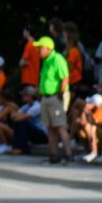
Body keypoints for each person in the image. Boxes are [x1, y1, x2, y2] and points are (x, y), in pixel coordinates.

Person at [36, 37, 72, 165]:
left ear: (48, 48)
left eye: (41, 47)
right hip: (47, 97)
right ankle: (54, 154)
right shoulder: (46, 60)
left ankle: (68, 154)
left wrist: (60, 95)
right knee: (50, 127)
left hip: (55, 97)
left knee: (60, 125)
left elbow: (65, 78)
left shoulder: (57, 59)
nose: (39, 50)